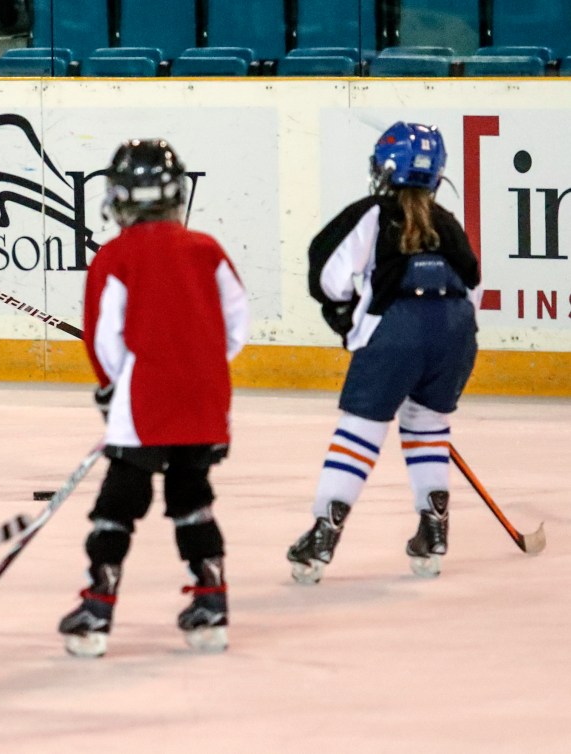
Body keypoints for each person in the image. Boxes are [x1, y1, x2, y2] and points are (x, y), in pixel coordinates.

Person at [57, 139, 250, 658]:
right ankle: (212, 606)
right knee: (192, 499)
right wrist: (198, 368)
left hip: (144, 404)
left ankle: (96, 608)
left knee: (118, 503)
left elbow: (103, 340)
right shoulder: (206, 249)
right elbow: (236, 325)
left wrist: (114, 388)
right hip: (207, 403)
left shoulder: (115, 256)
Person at [286, 122, 480, 584]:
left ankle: (323, 533)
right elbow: (472, 285)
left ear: (385, 167)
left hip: (398, 329)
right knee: (427, 424)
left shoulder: (373, 213)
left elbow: (327, 272)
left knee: (360, 430)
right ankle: (434, 529)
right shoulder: (448, 222)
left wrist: (349, 317)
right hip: (456, 332)